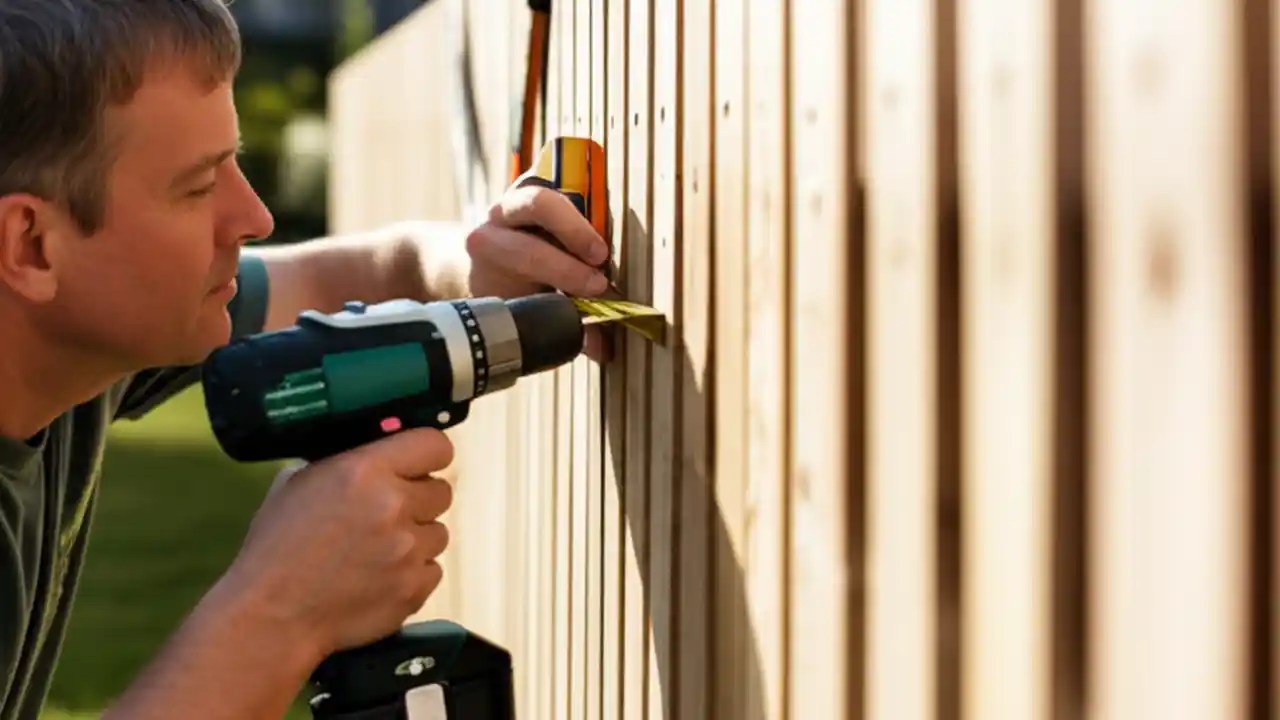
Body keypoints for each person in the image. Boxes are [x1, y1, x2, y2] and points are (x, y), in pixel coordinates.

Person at [0, 2, 612, 718]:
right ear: (31, 245)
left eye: (236, 164)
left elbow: (342, 279)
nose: (254, 217)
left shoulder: (68, 325)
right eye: (199, 186)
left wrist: (484, 261)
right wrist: (279, 611)